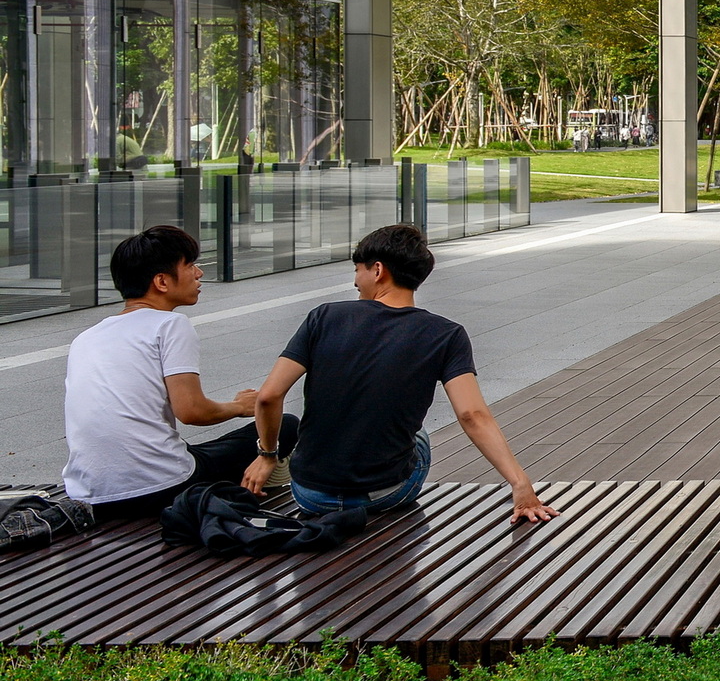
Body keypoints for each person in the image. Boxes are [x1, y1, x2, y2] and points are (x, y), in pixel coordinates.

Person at [239, 224, 554, 523]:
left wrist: (267, 455)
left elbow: (268, 396)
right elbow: (471, 414)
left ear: (377, 270)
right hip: (385, 494)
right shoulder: (446, 334)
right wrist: (520, 482)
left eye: (357, 270)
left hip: (310, 494)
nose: (354, 280)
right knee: (418, 435)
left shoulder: (323, 317)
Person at [61, 225, 301, 522]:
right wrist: (239, 407)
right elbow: (191, 412)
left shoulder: (86, 338)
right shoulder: (169, 325)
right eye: (190, 265)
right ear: (162, 281)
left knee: (189, 450)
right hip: (157, 490)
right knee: (287, 425)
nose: (199, 273)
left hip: (87, 494)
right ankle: (260, 481)